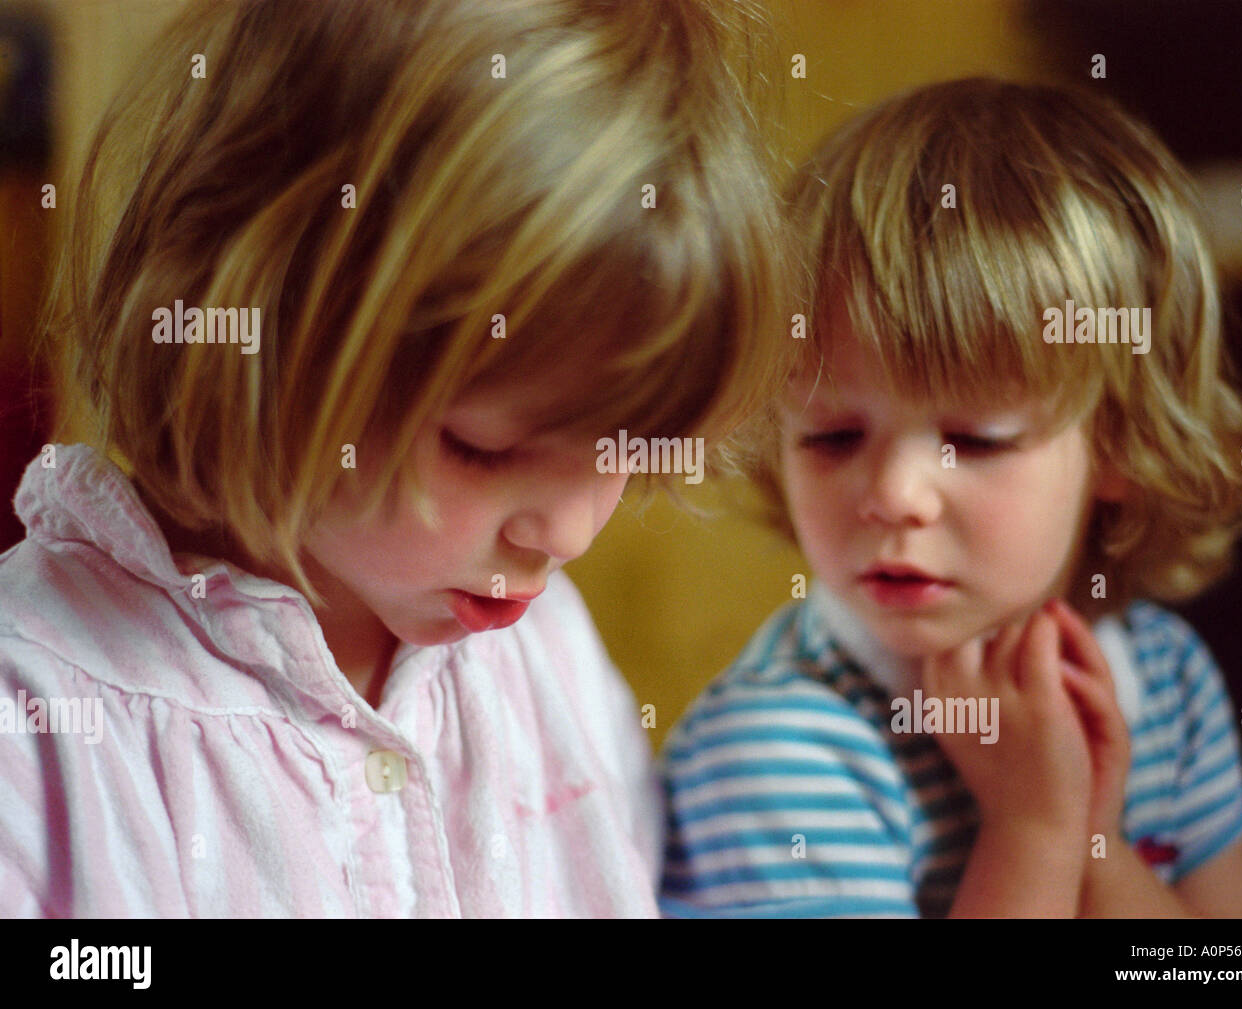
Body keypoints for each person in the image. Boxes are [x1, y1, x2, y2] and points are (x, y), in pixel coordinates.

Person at [0, 0, 792, 917]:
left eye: (617, 450)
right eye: (484, 448)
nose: (568, 532)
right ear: (262, 330)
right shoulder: (40, 718)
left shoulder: (549, 650)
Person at [661, 78, 1242, 917]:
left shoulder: (1165, 678)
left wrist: (1095, 843)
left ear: (1120, 447)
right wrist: (1033, 830)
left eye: (974, 440)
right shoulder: (783, 750)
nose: (893, 495)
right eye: (833, 436)